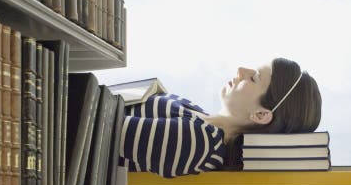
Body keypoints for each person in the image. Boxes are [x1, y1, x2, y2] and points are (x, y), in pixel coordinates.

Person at [119, 57, 321, 177]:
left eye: (254, 78)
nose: (241, 70)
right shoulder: (198, 115)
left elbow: (105, 131)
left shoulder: (198, 142)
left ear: (260, 115)